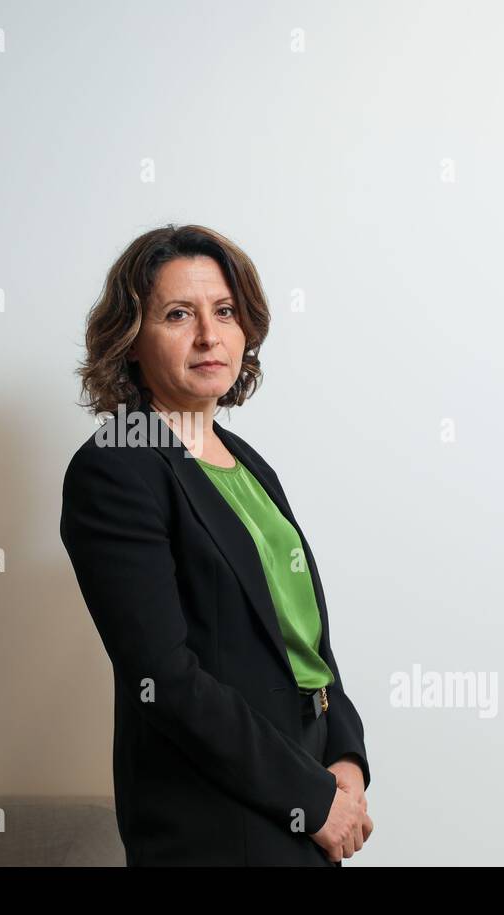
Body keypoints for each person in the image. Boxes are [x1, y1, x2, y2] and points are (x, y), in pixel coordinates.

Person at [60, 224, 373, 866]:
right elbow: (164, 678)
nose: (209, 335)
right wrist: (310, 798)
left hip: (311, 785)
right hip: (215, 816)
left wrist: (345, 758)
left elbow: (303, 638)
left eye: (224, 312)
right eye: (179, 314)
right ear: (131, 338)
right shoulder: (115, 466)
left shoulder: (248, 464)